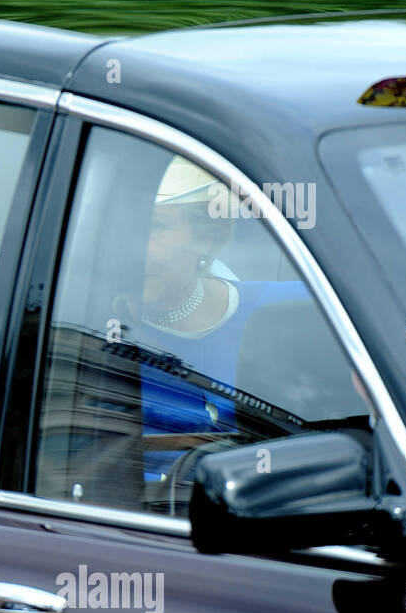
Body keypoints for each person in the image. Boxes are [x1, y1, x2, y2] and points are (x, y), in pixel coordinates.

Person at [123, 156, 307, 485]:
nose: (136, 248)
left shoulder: (293, 310)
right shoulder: (92, 333)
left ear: (208, 237)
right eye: (125, 228)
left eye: (156, 227)